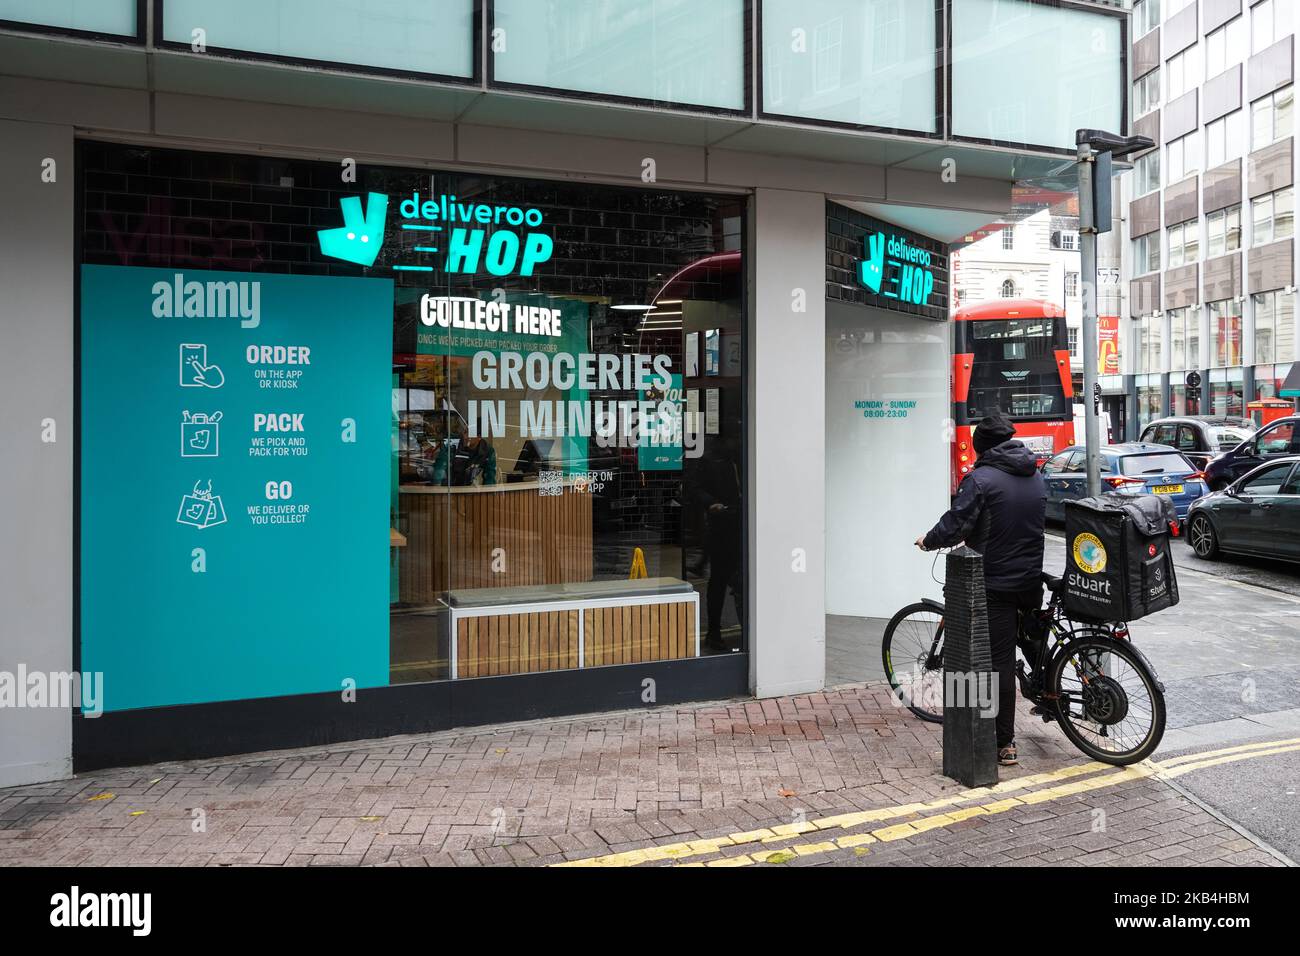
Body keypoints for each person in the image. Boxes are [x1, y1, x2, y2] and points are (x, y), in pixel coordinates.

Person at [914, 411, 1046, 767]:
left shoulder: (981, 480)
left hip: (995, 583)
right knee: (1034, 645)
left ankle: (1005, 742)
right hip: (1031, 581)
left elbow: (957, 523)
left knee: (999, 662)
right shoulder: (1035, 474)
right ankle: (1050, 692)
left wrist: (929, 540)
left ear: (982, 446)